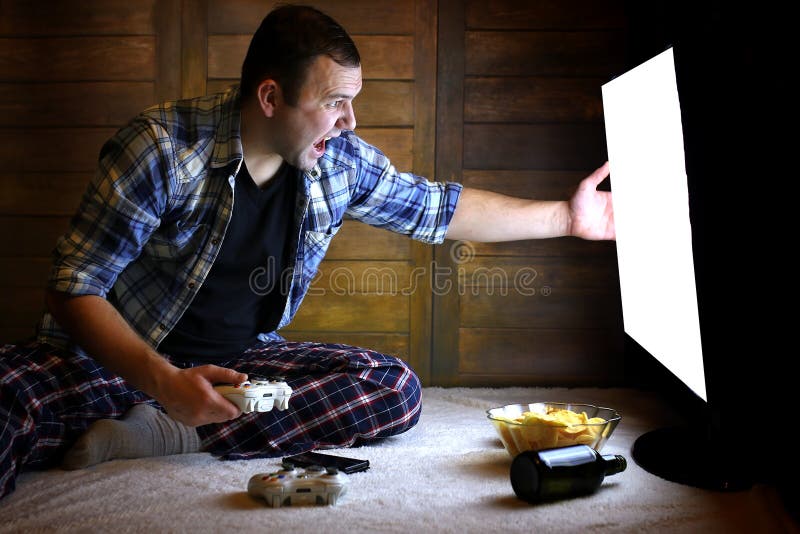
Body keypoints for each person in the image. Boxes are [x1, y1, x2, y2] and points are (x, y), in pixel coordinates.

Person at [0, 4, 614, 499]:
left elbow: (435, 208)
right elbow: (73, 287)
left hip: (238, 371)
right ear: (271, 97)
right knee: (7, 400)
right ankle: (160, 410)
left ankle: (172, 433)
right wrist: (163, 381)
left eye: (353, 101)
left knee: (392, 386)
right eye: (334, 102)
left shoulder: (338, 163)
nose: (350, 122)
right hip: (115, 361)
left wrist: (567, 217)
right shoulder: (163, 147)